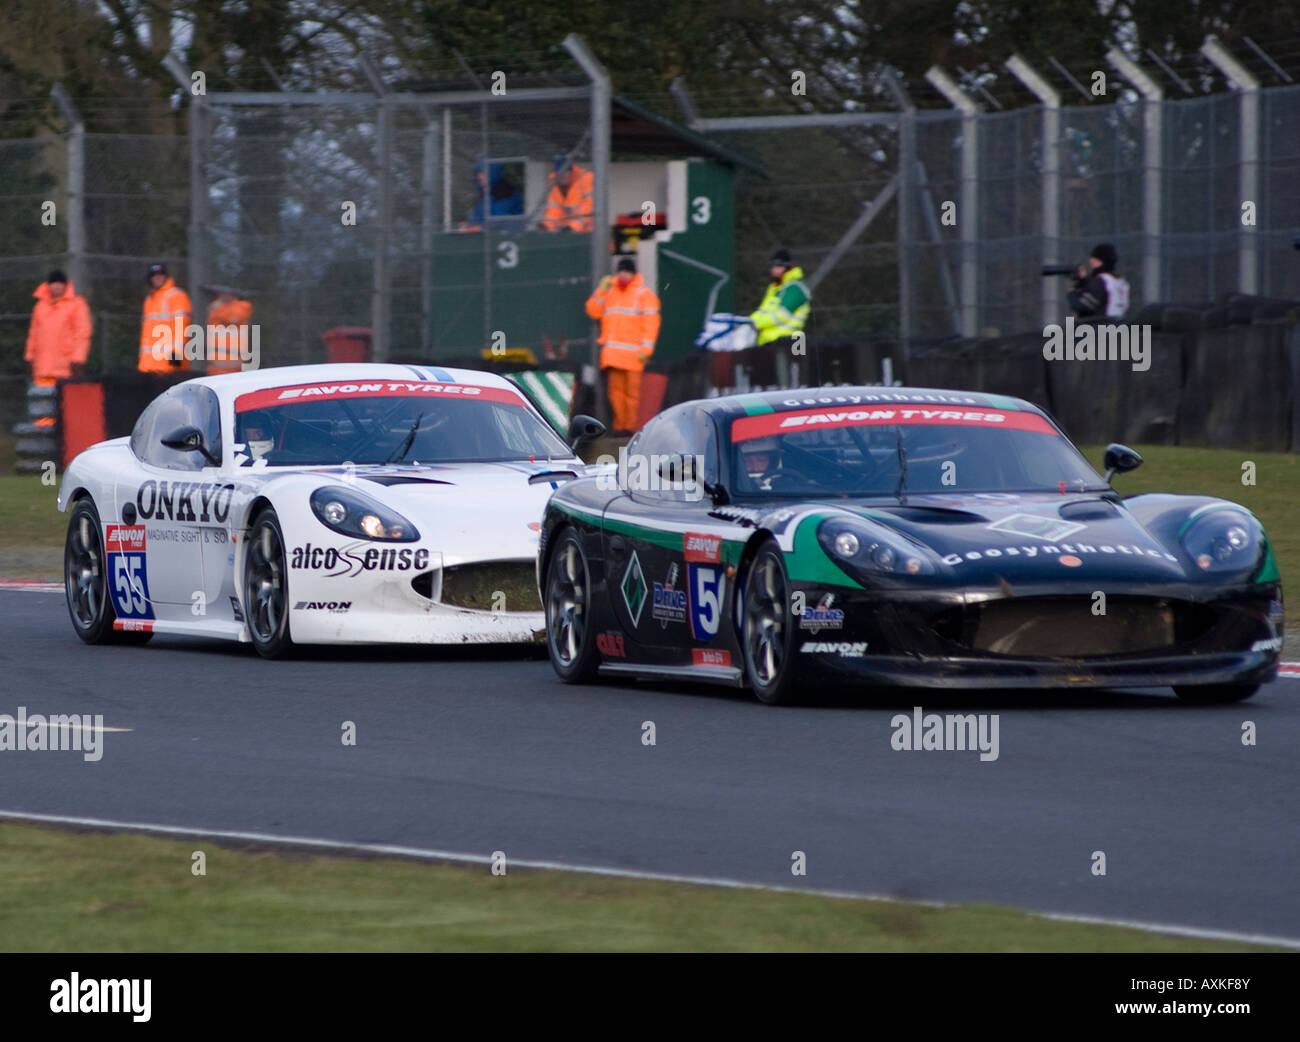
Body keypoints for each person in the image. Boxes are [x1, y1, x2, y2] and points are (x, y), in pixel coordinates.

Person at [585, 257, 660, 435]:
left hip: (634, 355)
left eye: (626, 272)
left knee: (632, 395)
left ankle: (630, 428)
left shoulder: (643, 294)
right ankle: (620, 428)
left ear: (633, 274)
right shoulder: (610, 292)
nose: (623, 275)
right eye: (620, 272)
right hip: (614, 355)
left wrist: (646, 349)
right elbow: (593, 311)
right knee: (615, 394)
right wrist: (600, 291)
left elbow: (651, 323)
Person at [749, 248, 811, 387]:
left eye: (777, 266)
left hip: (793, 339)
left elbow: (782, 315)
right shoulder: (775, 288)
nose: (773, 270)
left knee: (792, 381)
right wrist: (749, 322)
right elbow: (762, 311)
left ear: (787, 267)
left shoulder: (795, 287)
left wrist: (755, 324)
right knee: (773, 382)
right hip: (771, 341)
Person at [25, 269, 91, 388]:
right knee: (41, 402)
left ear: (65, 285)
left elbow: (82, 333)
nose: (57, 286)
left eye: (60, 283)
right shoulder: (40, 306)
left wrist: (78, 359)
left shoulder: (77, 304)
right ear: (48, 285)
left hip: (66, 369)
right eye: (53, 283)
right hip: (42, 370)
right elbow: (33, 334)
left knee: (66, 404)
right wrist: (29, 356)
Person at [139, 262, 192, 373]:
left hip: (168, 367)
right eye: (154, 275)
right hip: (148, 367)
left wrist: (175, 359)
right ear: (150, 278)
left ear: (165, 276)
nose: (157, 277)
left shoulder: (176, 296)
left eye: (160, 274)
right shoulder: (150, 300)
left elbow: (181, 328)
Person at [1068, 243, 1130, 319]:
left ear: (1100, 261)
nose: (1091, 262)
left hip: (1101, 328)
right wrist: (1084, 281)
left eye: (1094, 260)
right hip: (1118, 327)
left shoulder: (1101, 281)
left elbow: (1081, 307)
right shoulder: (1122, 283)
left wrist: (1072, 291)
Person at [461, 160, 523, 232]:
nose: (479, 176)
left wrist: (479, 228)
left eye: (482, 173)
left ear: (492, 173)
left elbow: (500, 223)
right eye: (477, 173)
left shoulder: (509, 194)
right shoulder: (483, 199)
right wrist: (468, 226)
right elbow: (476, 220)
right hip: (482, 240)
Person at [205, 287, 254, 375]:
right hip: (215, 366)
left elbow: (233, 319)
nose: (222, 296)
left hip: (232, 366)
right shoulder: (218, 308)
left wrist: (217, 309)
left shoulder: (240, 307)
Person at [542, 155, 594, 233]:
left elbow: (588, 209)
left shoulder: (586, 180)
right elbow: (553, 212)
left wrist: (572, 227)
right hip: (568, 234)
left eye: (566, 171)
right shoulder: (554, 187)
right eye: (560, 172)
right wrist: (546, 226)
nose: (563, 175)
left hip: (591, 236)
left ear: (571, 172)